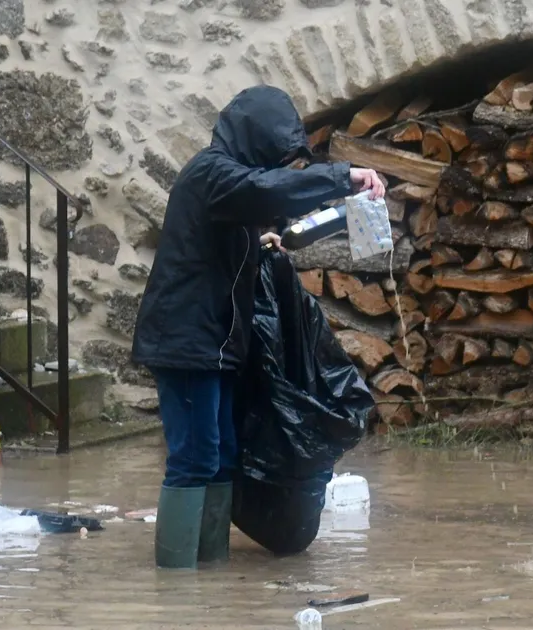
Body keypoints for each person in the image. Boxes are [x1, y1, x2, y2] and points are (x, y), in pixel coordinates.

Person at [131, 85, 385, 569]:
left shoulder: (230, 191)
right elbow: (264, 189)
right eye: (275, 154)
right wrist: (343, 177)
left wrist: (262, 242)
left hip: (218, 345)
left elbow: (243, 212)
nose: (276, 166)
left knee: (222, 455)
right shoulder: (212, 174)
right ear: (255, 140)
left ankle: (210, 571)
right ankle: (176, 581)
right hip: (187, 344)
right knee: (194, 459)